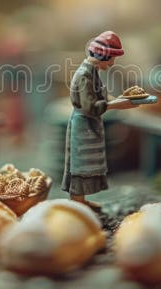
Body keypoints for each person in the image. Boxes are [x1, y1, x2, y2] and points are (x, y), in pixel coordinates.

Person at [63, 31, 138, 210]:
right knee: (80, 164)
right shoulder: (83, 76)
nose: (112, 63)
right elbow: (90, 106)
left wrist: (118, 99)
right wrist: (117, 105)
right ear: (101, 55)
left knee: (89, 164)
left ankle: (81, 200)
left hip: (90, 124)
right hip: (83, 125)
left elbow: (101, 96)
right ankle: (77, 202)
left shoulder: (93, 73)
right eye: (111, 58)